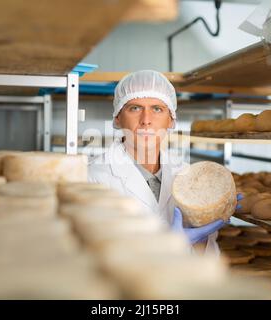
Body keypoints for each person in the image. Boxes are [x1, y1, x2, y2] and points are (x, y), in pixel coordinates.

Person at [88, 70, 241, 254]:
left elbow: (206, 261)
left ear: (171, 120)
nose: (146, 120)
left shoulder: (188, 177)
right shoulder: (93, 177)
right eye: (135, 108)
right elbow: (90, 257)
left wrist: (201, 239)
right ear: (118, 118)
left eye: (157, 109)